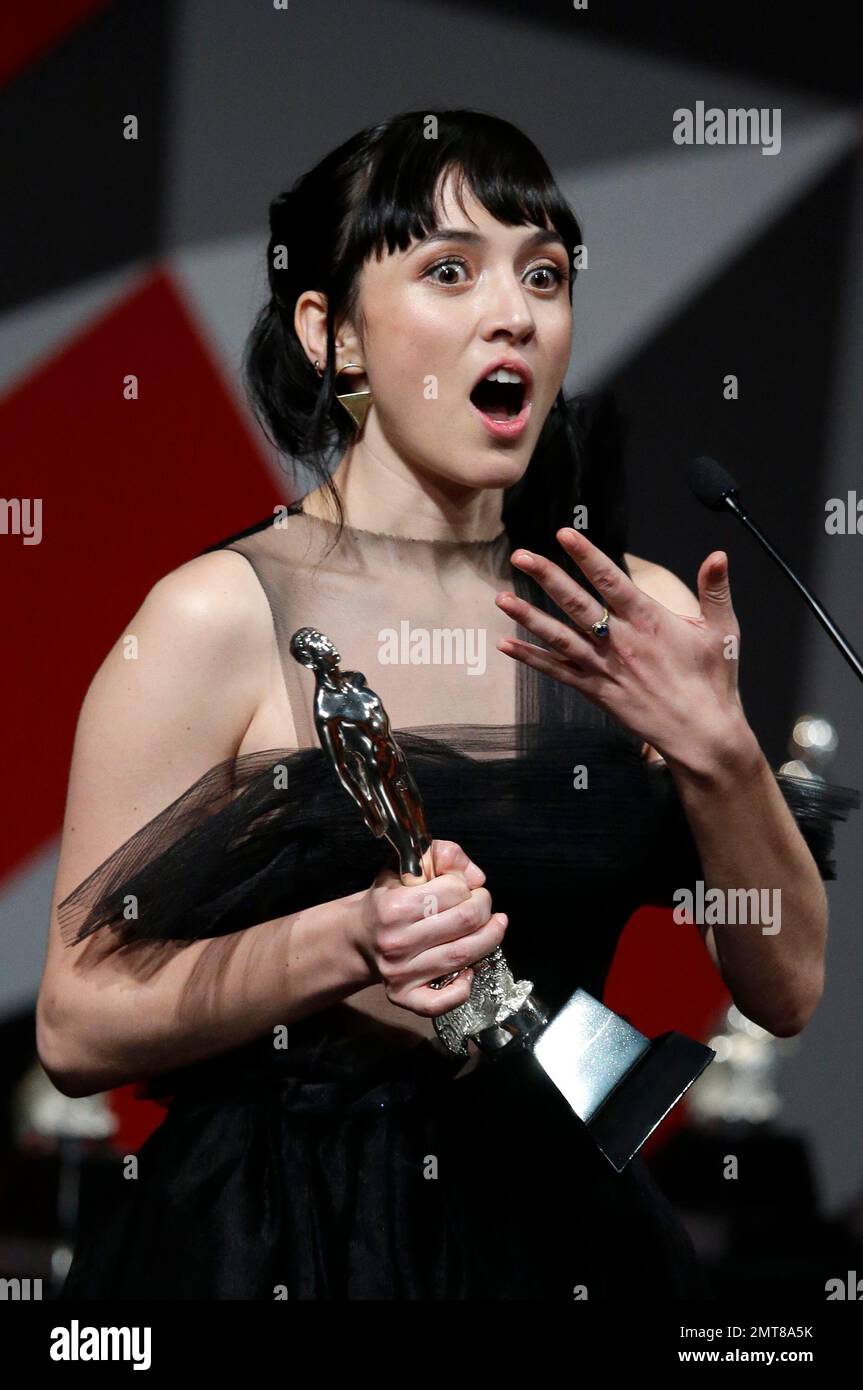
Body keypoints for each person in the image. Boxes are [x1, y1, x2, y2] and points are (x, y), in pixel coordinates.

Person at [37, 108, 858, 1300]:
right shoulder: (217, 616)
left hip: (555, 1240)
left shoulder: (625, 612)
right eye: (447, 270)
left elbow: (782, 990)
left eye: (543, 274)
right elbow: (73, 1026)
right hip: (279, 1244)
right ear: (335, 334)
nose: (513, 311)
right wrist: (343, 941)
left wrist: (719, 754)